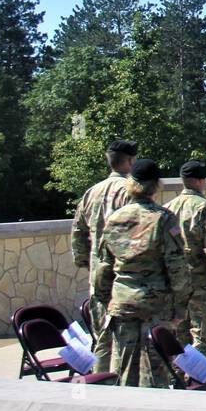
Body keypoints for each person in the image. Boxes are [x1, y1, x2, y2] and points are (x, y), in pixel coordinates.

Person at [92, 158, 191, 388]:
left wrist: (106, 300)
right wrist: (180, 306)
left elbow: (103, 268)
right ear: (156, 185)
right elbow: (177, 267)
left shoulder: (114, 219)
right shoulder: (163, 219)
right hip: (156, 305)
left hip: (123, 303)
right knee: (156, 367)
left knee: (125, 366)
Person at [71, 138, 137, 371]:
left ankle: (100, 385)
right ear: (130, 161)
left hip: (98, 276)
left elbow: (78, 231)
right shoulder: (130, 191)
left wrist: (86, 263)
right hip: (124, 278)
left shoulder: (91, 192)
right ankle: (122, 388)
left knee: (102, 338)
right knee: (125, 341)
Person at [163, 160, 206, 361]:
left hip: (176, 286)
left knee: (181, 337)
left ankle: (182, 381)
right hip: (202, 285)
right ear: (202, 181)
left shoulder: (167, 210)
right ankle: (196, 381)